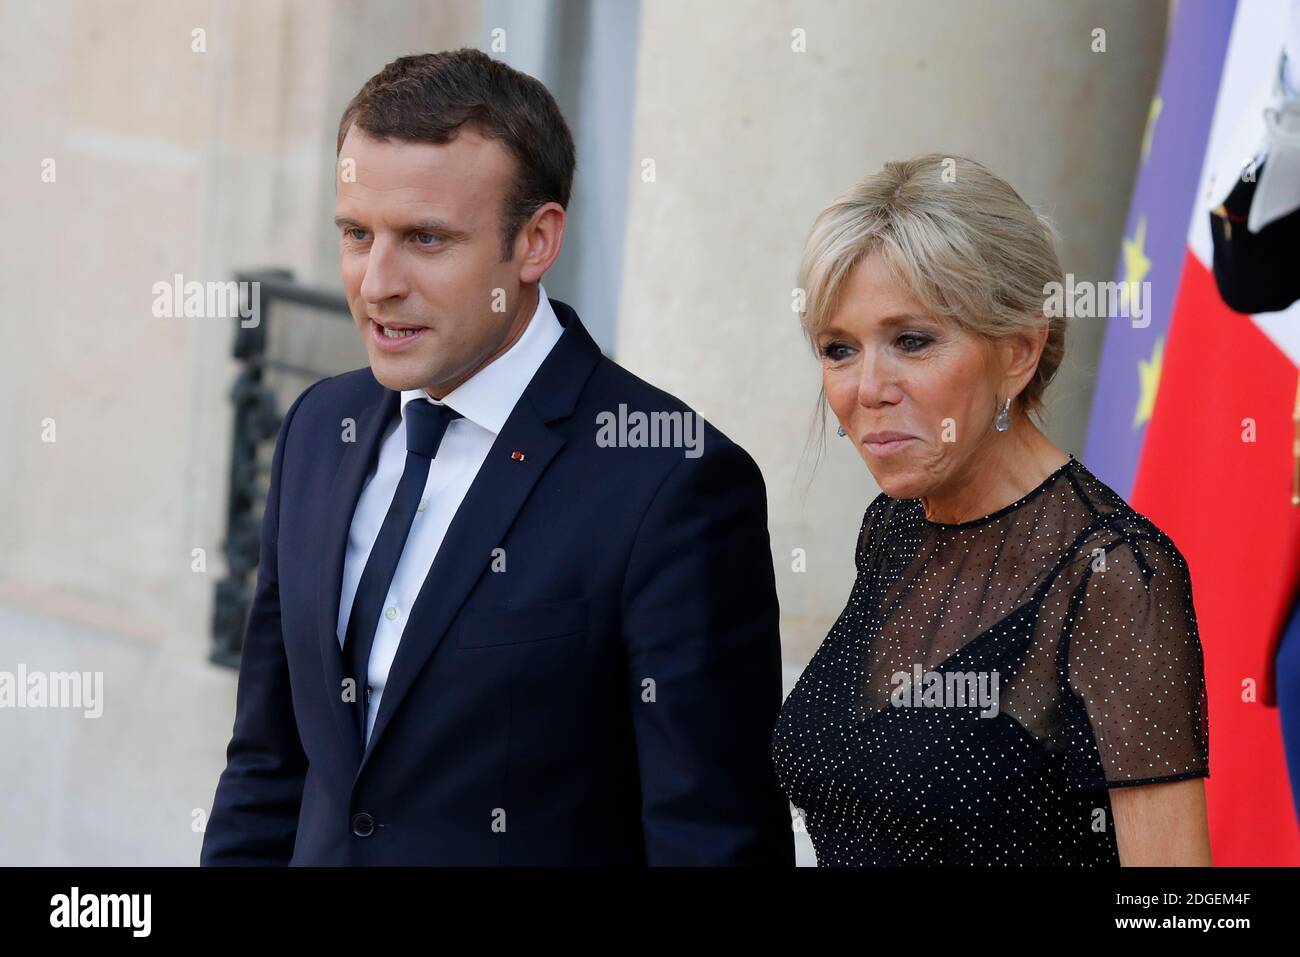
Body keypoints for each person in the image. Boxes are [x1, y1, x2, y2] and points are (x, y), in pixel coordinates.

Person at [201, 49, 793, 866]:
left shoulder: (672, 479)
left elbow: (711, 839)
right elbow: (267, 767)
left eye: (425, 239)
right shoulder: (317, 427)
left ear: (535, 242)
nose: (376, 282)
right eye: (356, 234)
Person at [772, 154, 1211, 866]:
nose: (868, 388)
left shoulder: (1113, 574)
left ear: (1019, 350)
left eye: (911, 340)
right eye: (839, 348)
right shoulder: (894, 528)